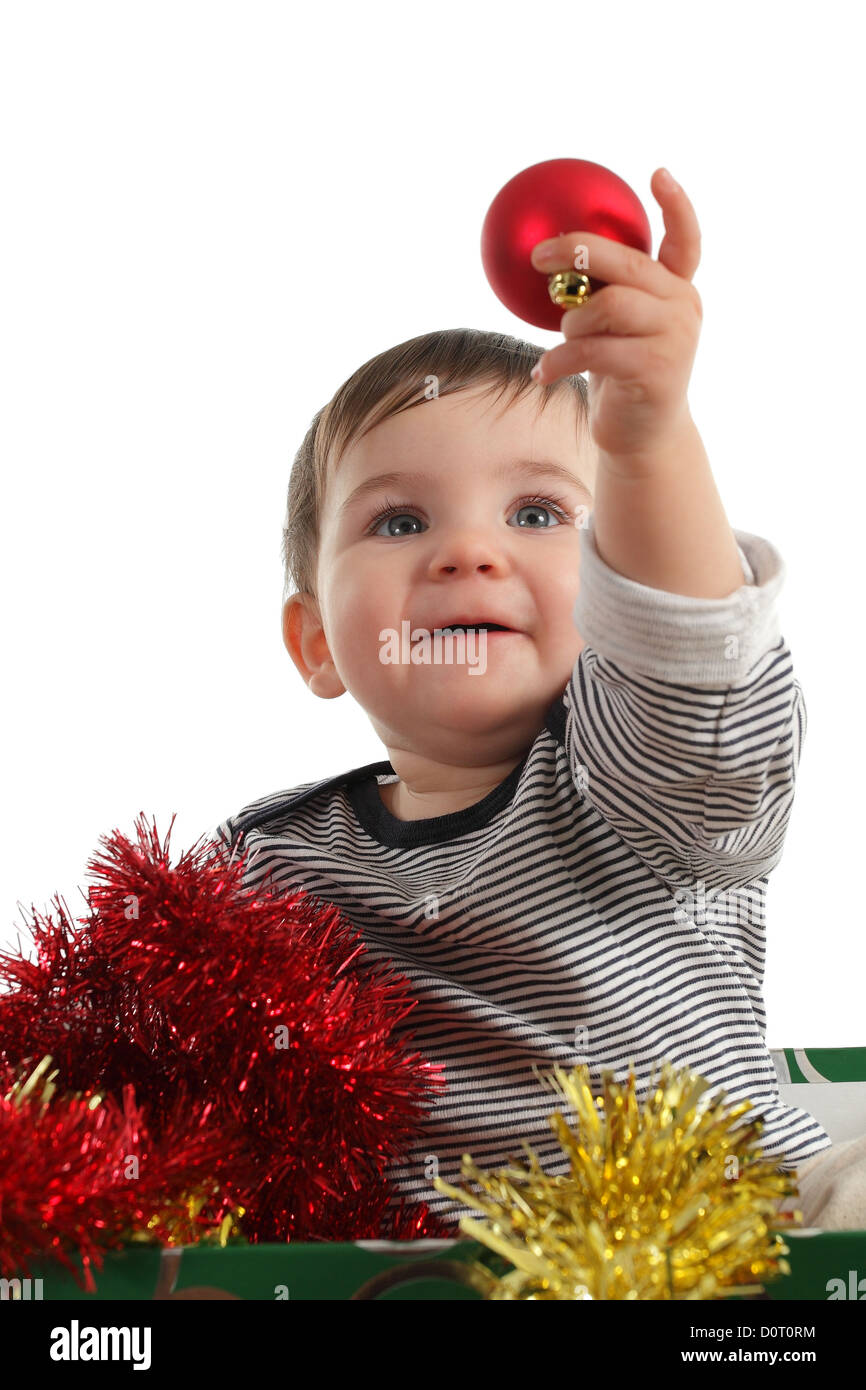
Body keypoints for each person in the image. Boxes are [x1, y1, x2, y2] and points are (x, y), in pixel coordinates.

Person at [210, 169, 864, 1231]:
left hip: (729, 1237)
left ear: (614, 589)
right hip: (434, 1269)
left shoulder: (637, 782)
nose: (467, 550)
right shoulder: (269, 861)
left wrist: (645, 444)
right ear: (317, 642)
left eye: (535, 510)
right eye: (395, 523)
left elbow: (691, 670)